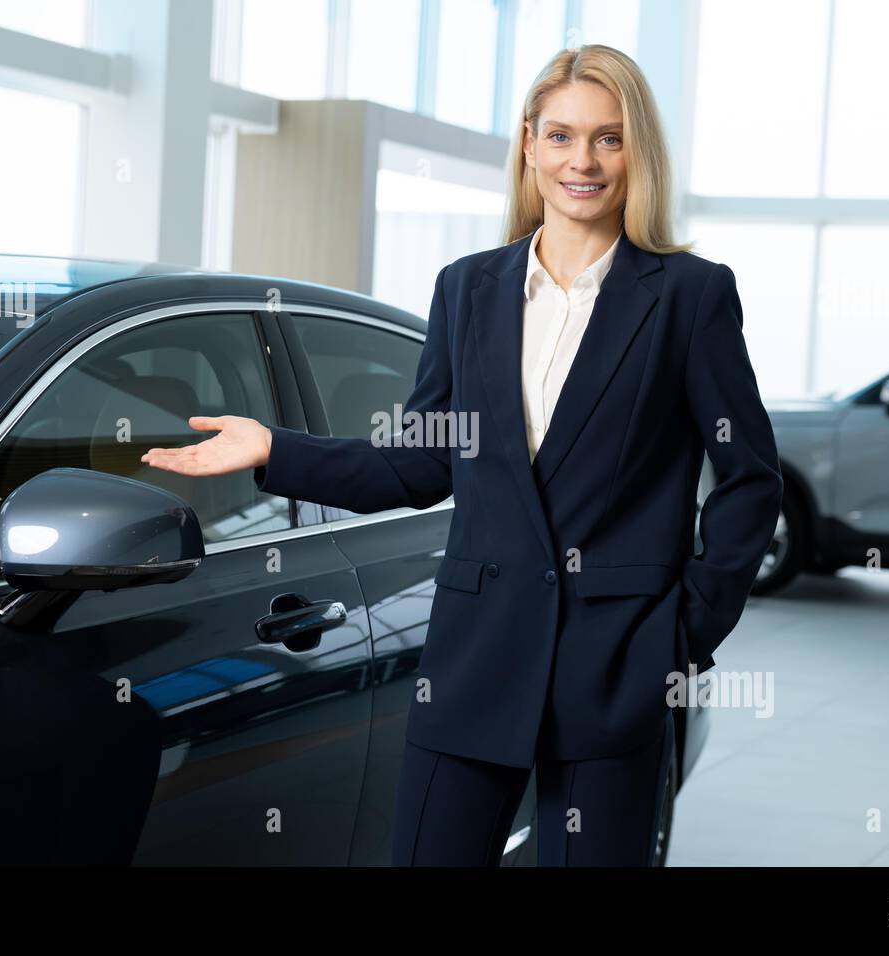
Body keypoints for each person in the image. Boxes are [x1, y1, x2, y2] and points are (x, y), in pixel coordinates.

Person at [142, 44, 783, 866]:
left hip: (620, 662)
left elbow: (747, 480)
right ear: (527, 144)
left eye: (608, 139)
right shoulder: (467, 288)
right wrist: (276, 449)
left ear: (637, 152)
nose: (581, 161)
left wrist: (683, 632)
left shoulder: (691, 296)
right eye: (560, 136)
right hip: (475, 658)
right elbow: (420, 461)